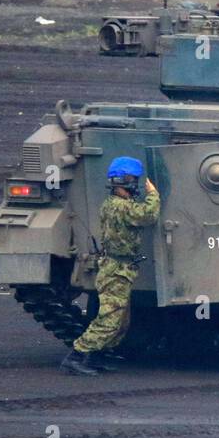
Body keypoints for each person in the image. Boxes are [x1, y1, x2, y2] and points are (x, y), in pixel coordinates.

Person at [60, 156, 161, 376]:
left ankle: (97, 356)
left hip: (119, 268)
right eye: (133, 180)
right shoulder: (120, 206)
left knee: (120, 321)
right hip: (116, 269)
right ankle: (77, 355)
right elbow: (148, 215)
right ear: (125, 181)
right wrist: (153, 194)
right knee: (110, 317)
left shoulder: (113, 204)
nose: (135, 184)